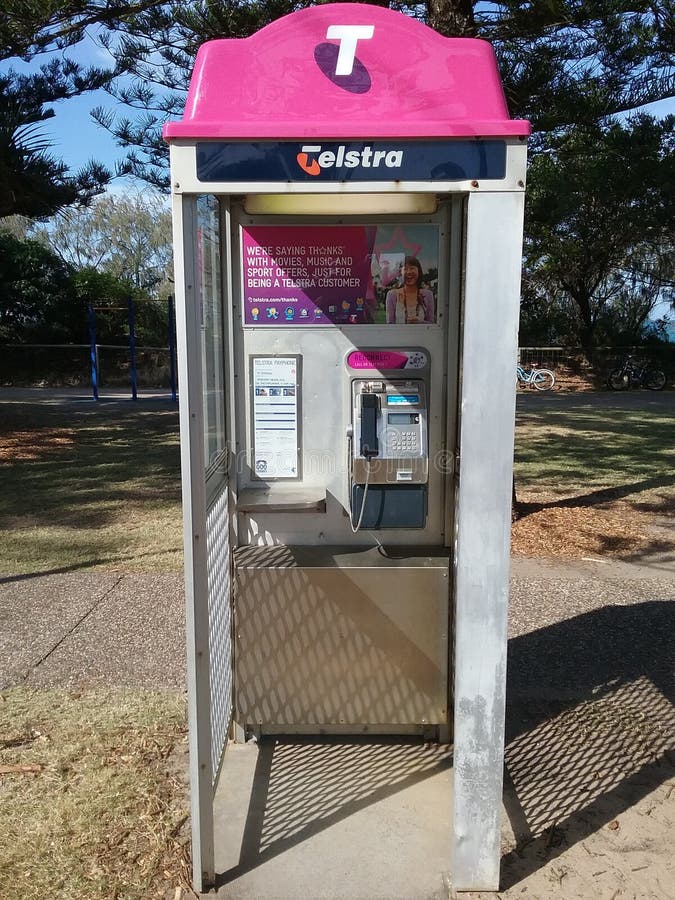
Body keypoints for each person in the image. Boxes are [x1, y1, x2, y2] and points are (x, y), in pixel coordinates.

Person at [385, 257, 435, 324]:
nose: (409, 272)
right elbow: (390, 324)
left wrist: (419, 322)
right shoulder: (392, 295)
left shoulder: (428, 295)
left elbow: (432, 325)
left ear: (419, 271)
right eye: (405, 269)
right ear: (400, 273)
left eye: (412, 268)